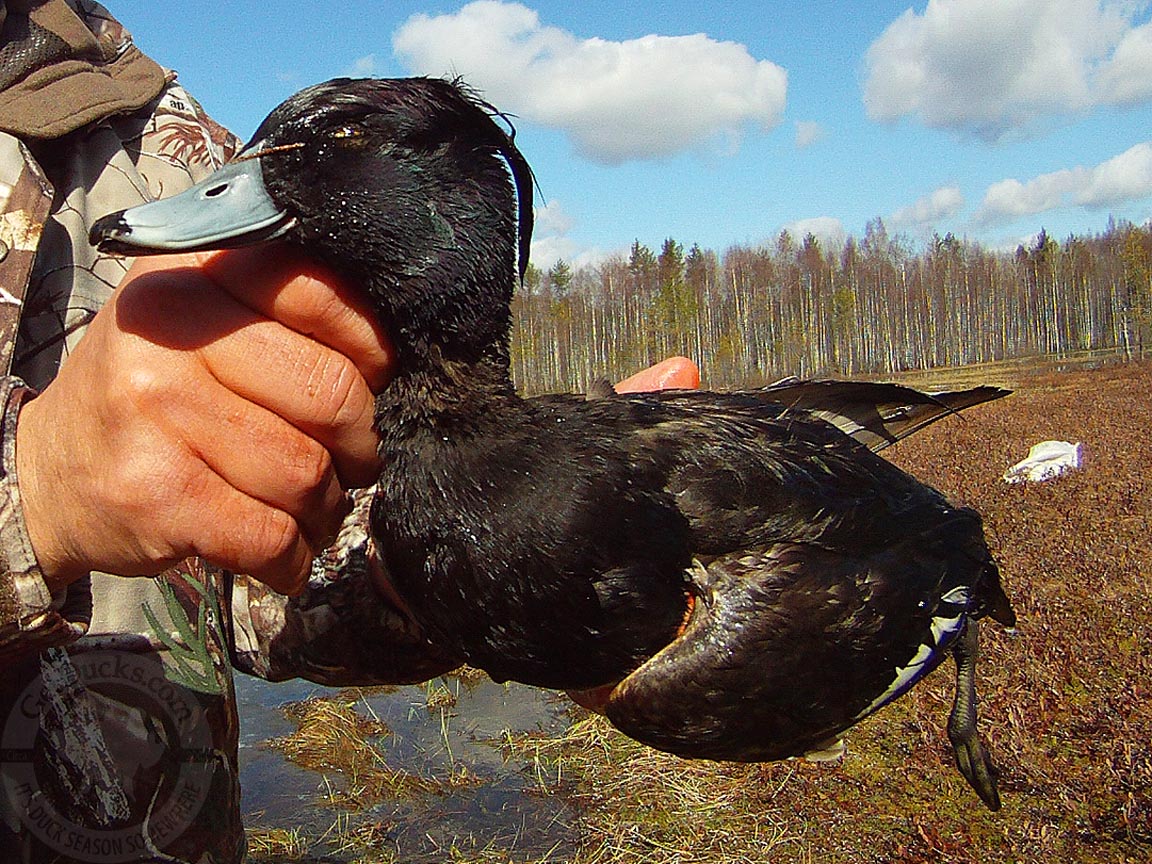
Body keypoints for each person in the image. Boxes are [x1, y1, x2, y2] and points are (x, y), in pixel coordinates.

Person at [0, 2, 700, 861]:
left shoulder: (141, 127)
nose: (239, 178)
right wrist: (30, 496)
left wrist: (497, 545)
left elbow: (248, 584)